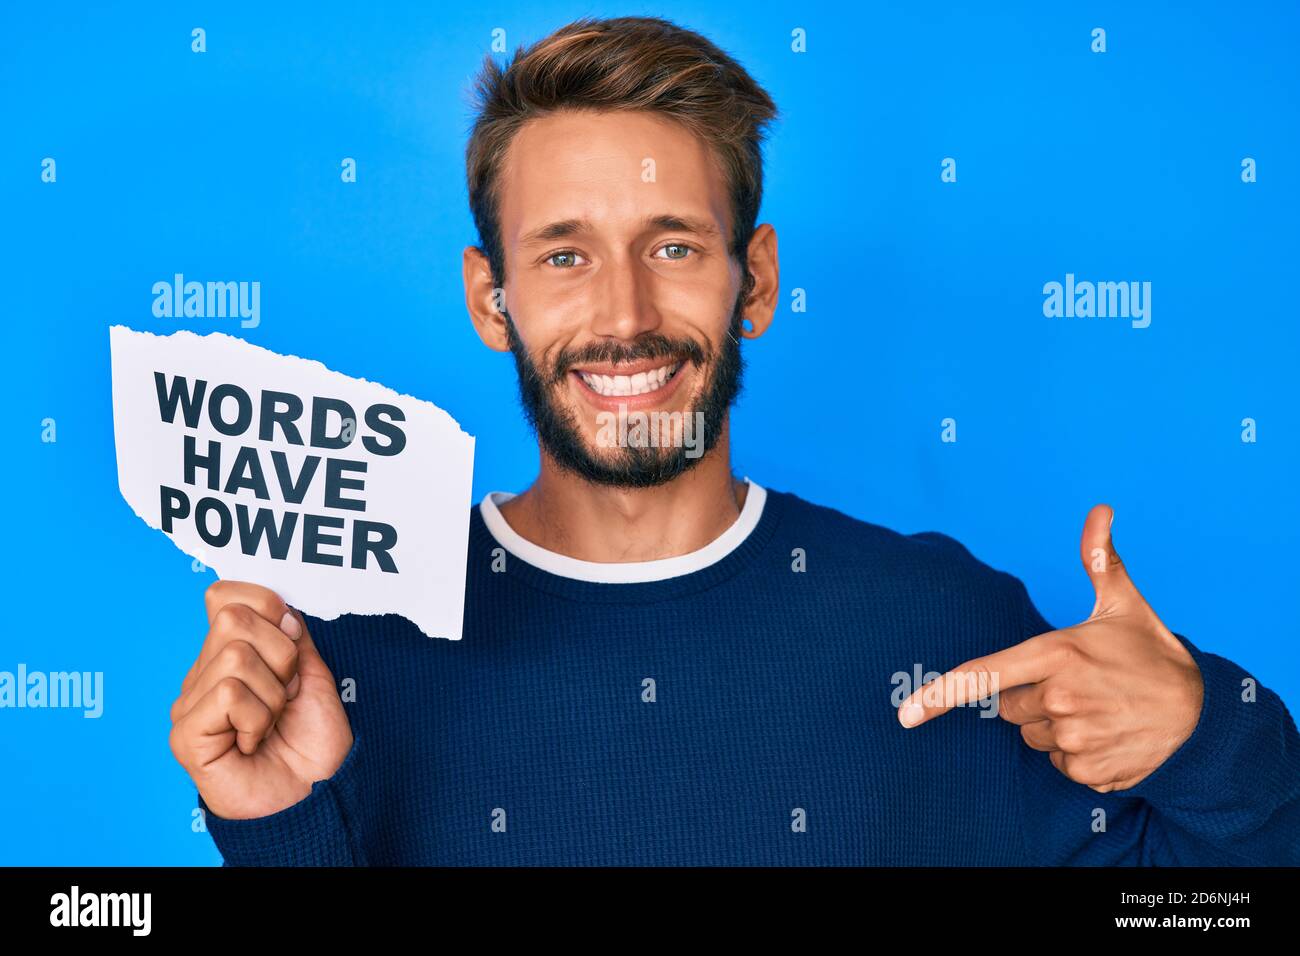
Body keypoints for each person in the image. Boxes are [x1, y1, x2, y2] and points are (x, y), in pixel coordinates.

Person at [168, 15, 1300, 865]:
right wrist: (277, 830)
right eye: (563, 255)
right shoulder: (351, 651)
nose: (621, 315)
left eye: (671, 247)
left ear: (752, 280)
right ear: (490, 297)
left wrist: (1214, 734)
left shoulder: (942, 627)